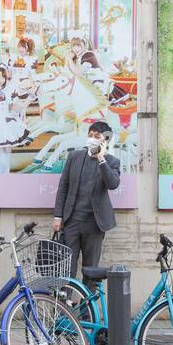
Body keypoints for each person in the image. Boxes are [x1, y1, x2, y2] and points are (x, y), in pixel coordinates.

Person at [52, 121, 121, 291]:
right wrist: (58, 216)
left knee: (90, 269)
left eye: (97, 136)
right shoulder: (75, 156)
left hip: (95, 224)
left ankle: (86, 313)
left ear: (105, 140)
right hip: (71, 222)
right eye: (90, 135)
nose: (92, 139)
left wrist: (101, 159)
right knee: (67, 268)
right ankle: (63, 311)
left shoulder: (112, 161)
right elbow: (63, 187)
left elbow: (113, 184)